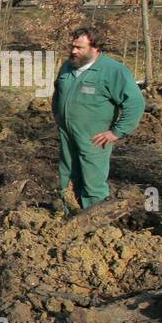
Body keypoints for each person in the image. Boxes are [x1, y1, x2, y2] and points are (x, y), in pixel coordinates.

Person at [51, 26, 145, 212]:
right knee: (67, 176)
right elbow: (58, 92)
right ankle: (68, 215)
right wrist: (57, 114)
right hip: (67, 132)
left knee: (92, 180)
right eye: (73, 46)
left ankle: (94, 220)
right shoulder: (68, 66)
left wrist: (117, 132)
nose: (73, 51)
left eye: (80, 48)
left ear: (95, 49)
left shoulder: (113, 71)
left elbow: (135, 103)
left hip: (94, 136)